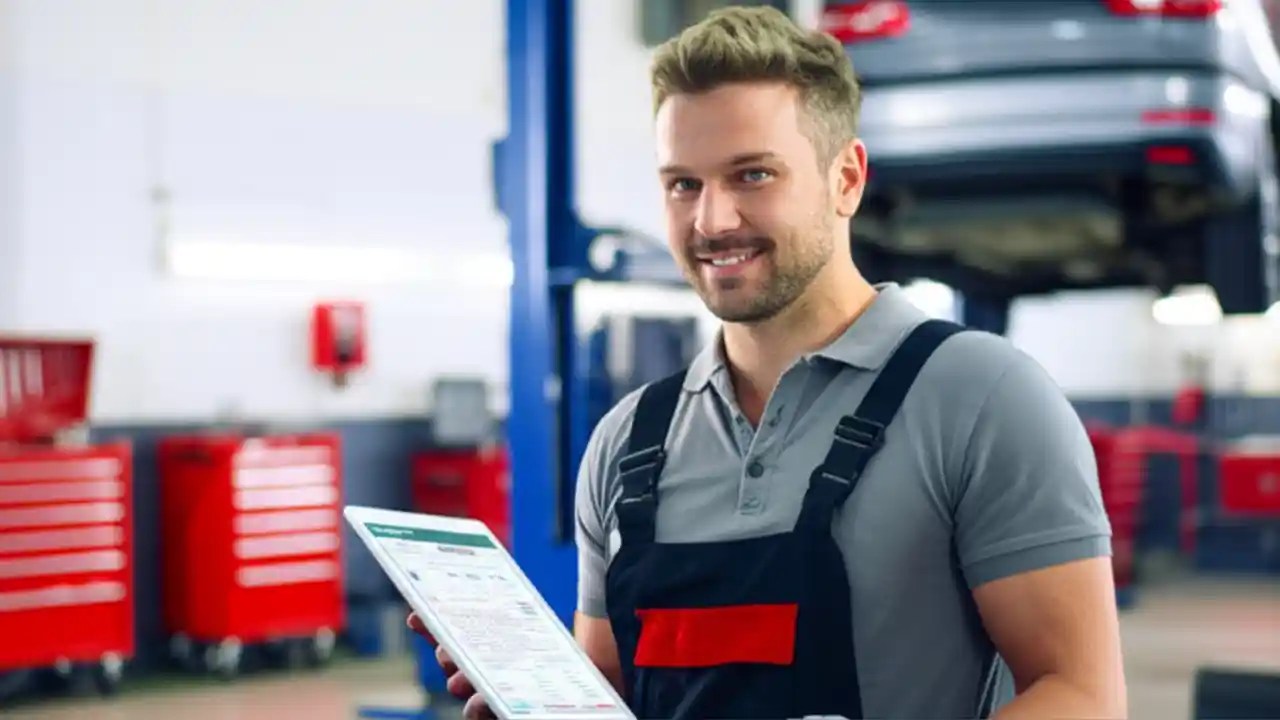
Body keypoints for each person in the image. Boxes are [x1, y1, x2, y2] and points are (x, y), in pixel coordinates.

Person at [412, 6, 1127, 718]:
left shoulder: (982, 399)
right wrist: (531, 697)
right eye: (682, 184)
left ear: (846, 179)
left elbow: (1080, 696)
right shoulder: (627, 443)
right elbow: (609, 691)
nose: (712, 220)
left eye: (751, 175)